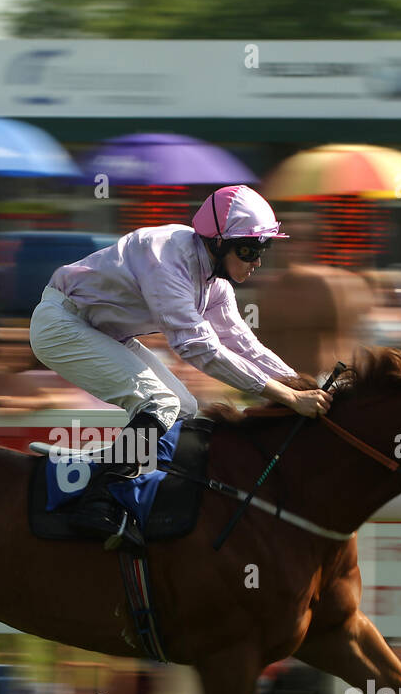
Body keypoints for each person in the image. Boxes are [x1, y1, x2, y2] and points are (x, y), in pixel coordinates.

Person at [29, 185, 331, 551]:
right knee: (160, 403)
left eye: (262, 250)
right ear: (218, 242)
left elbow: (243, 344)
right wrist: (285, 395)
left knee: (184, 409)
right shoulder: (165, 256)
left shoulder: (214, 281)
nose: (257, 262)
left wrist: (305, 385)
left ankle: (127, 481)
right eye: (250, 250)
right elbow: (197, 347)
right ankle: (100, 501)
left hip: (102, 331)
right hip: (61, 325)